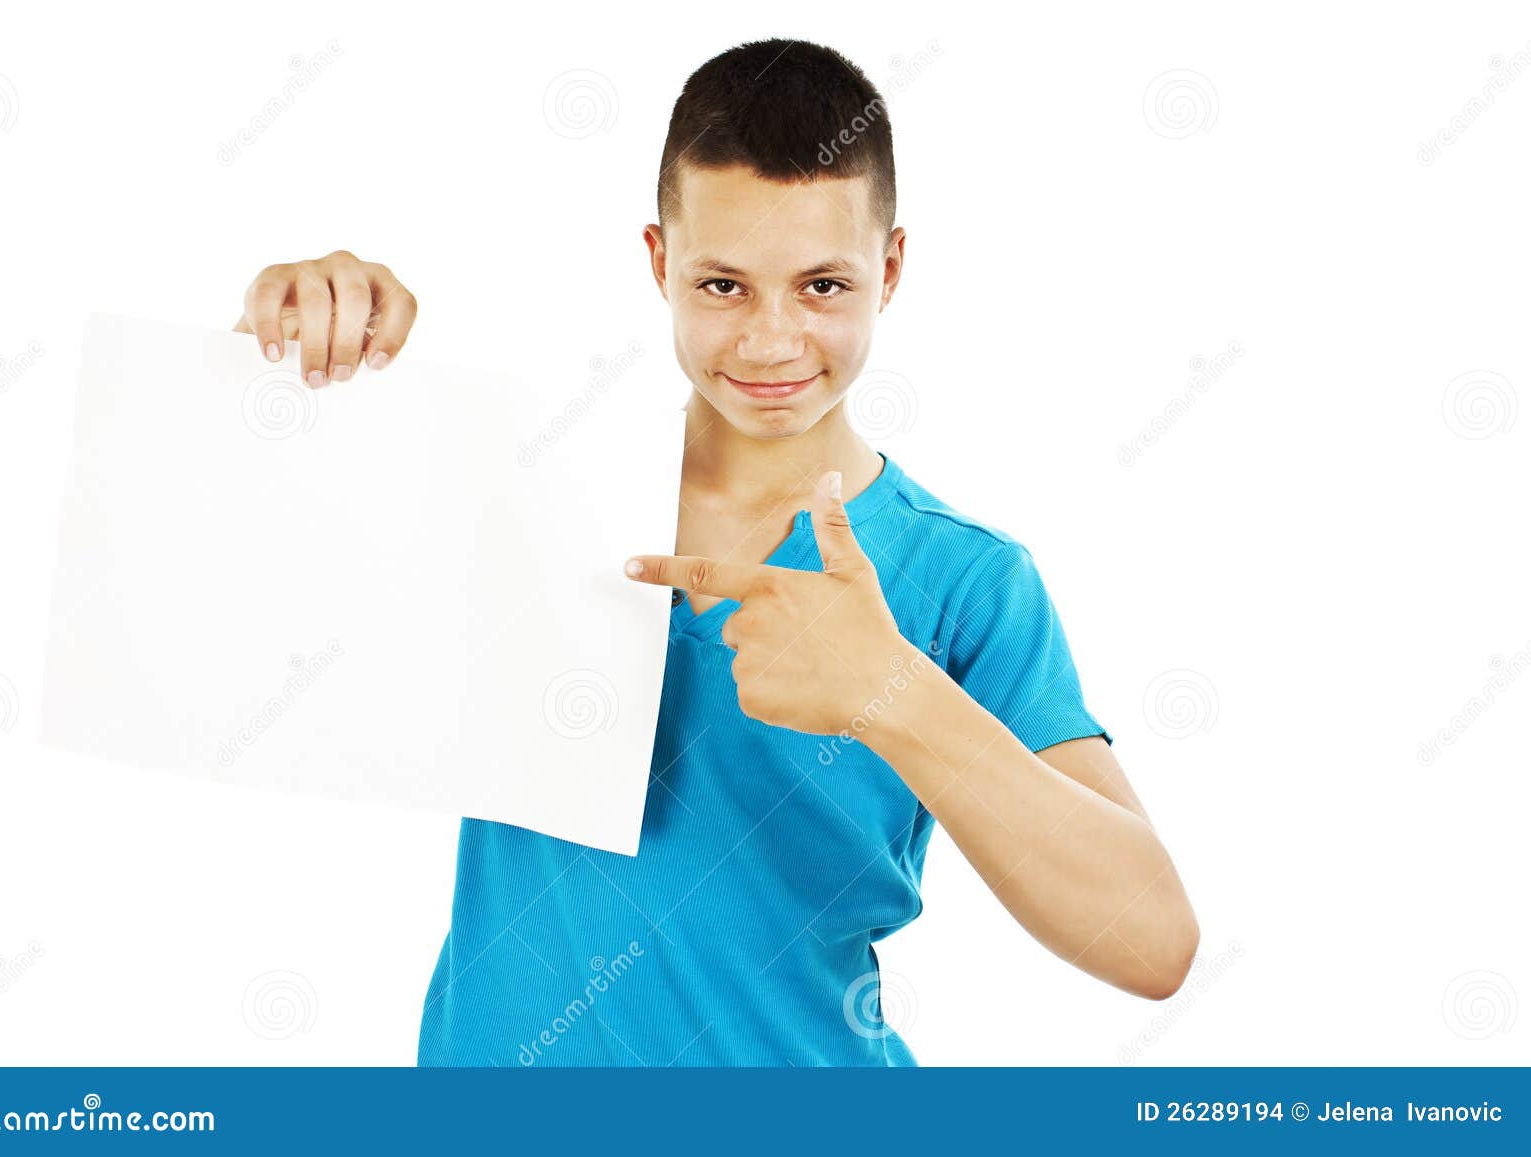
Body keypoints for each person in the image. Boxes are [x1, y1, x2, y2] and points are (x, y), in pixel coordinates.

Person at [233, 38, 1199, 1067]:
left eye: (823, 285)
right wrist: (319, 330)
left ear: (892, 268)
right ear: (659, 263)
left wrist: (890, 690)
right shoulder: (529, 483)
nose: (771, 340)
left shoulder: (965, 580)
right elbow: (271, 560)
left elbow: (1153, 940)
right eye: (723, 285)